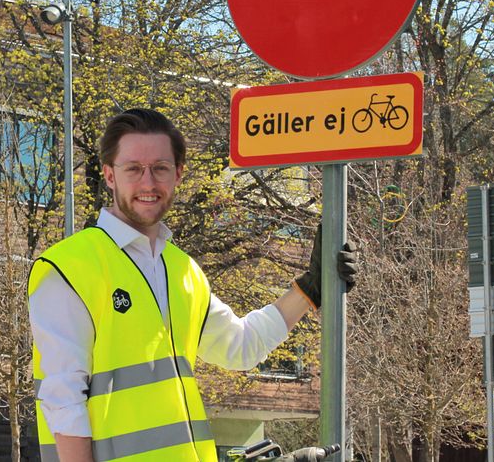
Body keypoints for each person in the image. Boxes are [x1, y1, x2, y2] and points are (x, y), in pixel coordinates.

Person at [28, 108, 358, 462]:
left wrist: (310, 289)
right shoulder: (69, 267)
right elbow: (64, 400)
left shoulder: (183, 270)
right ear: (110, 175)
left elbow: (241, 346)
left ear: (178, 174)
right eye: (133, 169)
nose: (148, 183)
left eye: (160, 168)